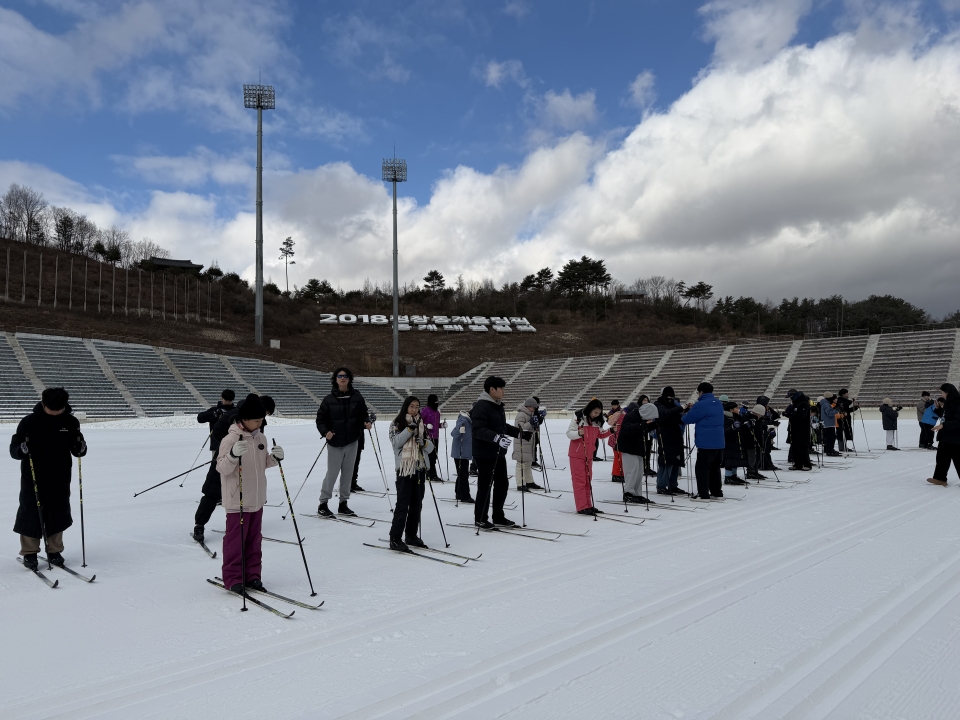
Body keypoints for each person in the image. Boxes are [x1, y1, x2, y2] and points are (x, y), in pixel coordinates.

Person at [9, 387, 87, 570]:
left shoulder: (70, 422)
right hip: (33, 475)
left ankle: (54, 550)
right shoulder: (28, 422)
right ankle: (29, 553)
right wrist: (21, 450)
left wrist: (81, 448)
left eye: (58, 409)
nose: (55, 412)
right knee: (30, 511)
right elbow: (14, 448)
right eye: (51, 409)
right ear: (43, 403)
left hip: (59, 475)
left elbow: (77, 446)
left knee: (57, 512)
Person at [216, 394, 284, 593]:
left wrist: (275, 458)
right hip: (237, 500)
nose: (261, 423)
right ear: (244, 420)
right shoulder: (230, 439)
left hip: (256, 499)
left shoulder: (260, 437)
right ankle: (234, 578)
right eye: (257, 420)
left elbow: (262, 464)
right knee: (235, 542)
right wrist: (232, 455)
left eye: (262, 419)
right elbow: (221, 467)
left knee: (254, 541)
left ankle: (253, 575)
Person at [193, 396, 275, 543]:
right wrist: (231, 450)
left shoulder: (257, 421)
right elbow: (217, 432)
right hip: (227, 458)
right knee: (212, 492)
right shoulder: (234, 415)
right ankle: (199, 524)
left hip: (247, 462)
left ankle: (248, 524)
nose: (263, 419)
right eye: (266, 412)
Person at [471, 376, 530, 529]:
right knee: (485, 485)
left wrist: (520, 433)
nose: (504, 391)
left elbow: (502, 426)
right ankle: (480, 518)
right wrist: (496, 438)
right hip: (484, 453)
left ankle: (498, 516)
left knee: (502, 484)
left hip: (498, 453)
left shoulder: (498, 406)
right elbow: (477, 430)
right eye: (501, 388)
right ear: (492, 389)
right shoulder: (481, 406)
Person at [316, 367, 373, 518]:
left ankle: (343, 504)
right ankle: (323, 503)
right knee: (332, 473)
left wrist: (366, 422)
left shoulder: (357, 397)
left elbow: (363, 415)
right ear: (335, 379)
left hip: (352, 440)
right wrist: (325, 431)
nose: (343, 378)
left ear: (349, 379)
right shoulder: (328, 400)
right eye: (340, 376)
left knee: (348, 474)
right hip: (335, 442)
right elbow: (320, 420)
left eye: (345, 376)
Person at [387, 396, 434, 552]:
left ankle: (411, 535)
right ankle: (395, 537)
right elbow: (396, 443)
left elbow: (431, 447)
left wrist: (424, 443)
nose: (414, 409)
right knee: (402, 504)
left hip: (419, 468)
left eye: (417, 407)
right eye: (412, 406)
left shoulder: (421, 423)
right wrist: (409, 429)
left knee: (416, 504)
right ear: (406, 407)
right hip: (405, 469)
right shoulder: (397, 423)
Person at [567, 398, 612, 514]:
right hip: (577, 455)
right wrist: (578, 433)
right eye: (595, 412)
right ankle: (582, 506)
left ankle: (588, 504)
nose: (596, 415)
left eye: (599, 413)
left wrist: (611, 431)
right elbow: (569, 433)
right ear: (590, 410)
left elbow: (600, 435)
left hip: (589, 455)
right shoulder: (579, 418)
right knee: (579, 481)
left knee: (587, 480)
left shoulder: (597, 422)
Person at [681, 382, 725, 499]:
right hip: (719, 441)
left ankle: (703, 494)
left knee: (702, 469)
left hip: (706, 442)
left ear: (701, 392)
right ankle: (717, 492)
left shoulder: (701, 404)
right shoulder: (718, 403)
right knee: (715, 468)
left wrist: (687, 411)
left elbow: (687, 419)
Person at [617, 402, 657, 503]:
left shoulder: (641, 418)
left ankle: (637, 493)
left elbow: (644, 428)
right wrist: (641, 425)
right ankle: (628, 493)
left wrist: (653, 425)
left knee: (639, 472)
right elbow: (627, 429)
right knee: (632, 471)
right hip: (628, 448)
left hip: (638, 448)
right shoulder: (631, 416)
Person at [654, 387, 688, 495]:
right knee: (666, 461)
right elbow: (664, 414)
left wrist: (687, 411)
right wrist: (680, 408)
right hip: (665, 436)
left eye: (672, 397)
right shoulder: (658, 404)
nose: (670, 399)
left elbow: (679, 419)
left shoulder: (673, 405)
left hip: (676, 436)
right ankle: (661, 485)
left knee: (675, 461)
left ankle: (673, 485)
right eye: (668, 397)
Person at [928, 384, 960, 486]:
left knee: (958, 460)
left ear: (947, 392)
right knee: (942, 458)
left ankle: (940, 478)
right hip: (946, 436)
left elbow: (958, 421)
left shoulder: (957, 403)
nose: (941, 395)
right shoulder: (948, 403)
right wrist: (938, 409)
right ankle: (940, 478)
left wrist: (943, 426)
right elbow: (946, 416)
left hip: (955, 437)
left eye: (942, 392)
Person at [513, 398, 542, 491]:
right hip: (522, 442)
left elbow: (531, 428)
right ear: (529, 406)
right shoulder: (521, 414)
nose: (534, 409)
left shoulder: (530, 414)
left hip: (529, 442)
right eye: (533, 407)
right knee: (521, 463)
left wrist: (536, 424)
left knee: (528, 463)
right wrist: (530, 423)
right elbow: (520, 428)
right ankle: (520, 484)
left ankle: (529, 481)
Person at [197, 389, 235, 457]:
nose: (227, 402)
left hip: (232, 445)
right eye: (226, 400)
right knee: (216, 467)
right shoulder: (214, 410)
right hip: (217, 445)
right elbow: (200, 418)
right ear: (222, 398)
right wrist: (214, 414)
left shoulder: (235, 411)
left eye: (230, 400)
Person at [784, 389, 813, 471]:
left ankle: (806, 464)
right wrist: (787, 413)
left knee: (802, 447)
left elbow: (801, 416)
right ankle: (798, 464)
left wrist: (789, 414)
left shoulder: (803, 404)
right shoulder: (795, 404)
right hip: (794, 428)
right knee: (795, 446)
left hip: (802, 429)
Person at [450, 410, 475, 503]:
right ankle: (465, 495)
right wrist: (459, 430)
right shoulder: (464, 420)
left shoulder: (468, 420)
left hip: (464, 451)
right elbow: (453, 433)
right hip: (460, 452)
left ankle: (459, 493)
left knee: (462, 473)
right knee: (463, 474)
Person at [420, 394, 444, 482]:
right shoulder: (425, 411)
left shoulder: (437, 412)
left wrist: (441, 425)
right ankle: (431, 474)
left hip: (436, 436)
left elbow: (436, 425)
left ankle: (429, 472)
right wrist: (426, 426)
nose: (436, 403)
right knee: (431, 455)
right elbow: (419, 422)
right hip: (428, 436)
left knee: (434, 455)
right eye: (435, 401)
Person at [820, 392, 841, 457]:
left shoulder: (825, 403)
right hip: (828, 423)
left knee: (829, 437)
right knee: (831, 438)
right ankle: (830, 450)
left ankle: (827, 449)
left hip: (827, 423)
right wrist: (836, 411)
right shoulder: (826, 404)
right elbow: (829, 413)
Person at [608, 400, 624, 482]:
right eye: (612, 405)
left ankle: (619, 473)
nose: (613, 407)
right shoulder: (613, 413)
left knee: (620, 456)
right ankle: (616, 474)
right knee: (617, 456)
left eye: (615, 405)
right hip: (615, 436)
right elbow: (609, 422)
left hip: (618, 436)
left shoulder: (621, 412)